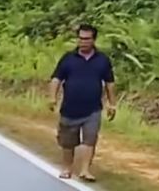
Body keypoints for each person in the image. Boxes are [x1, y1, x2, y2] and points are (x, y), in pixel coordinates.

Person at [49, 23, 116, 182]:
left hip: (93, 108)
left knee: (90, 139)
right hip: (69, 108)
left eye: (87, 39)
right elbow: (56, 78)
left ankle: (85, 170)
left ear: (93, 40)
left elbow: (109, 82)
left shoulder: (102, 60)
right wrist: (52, 97)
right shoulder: (68, 58)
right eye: (80, 38)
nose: (83, 42)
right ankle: (67, 168)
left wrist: (112, 103)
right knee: (67, 142)